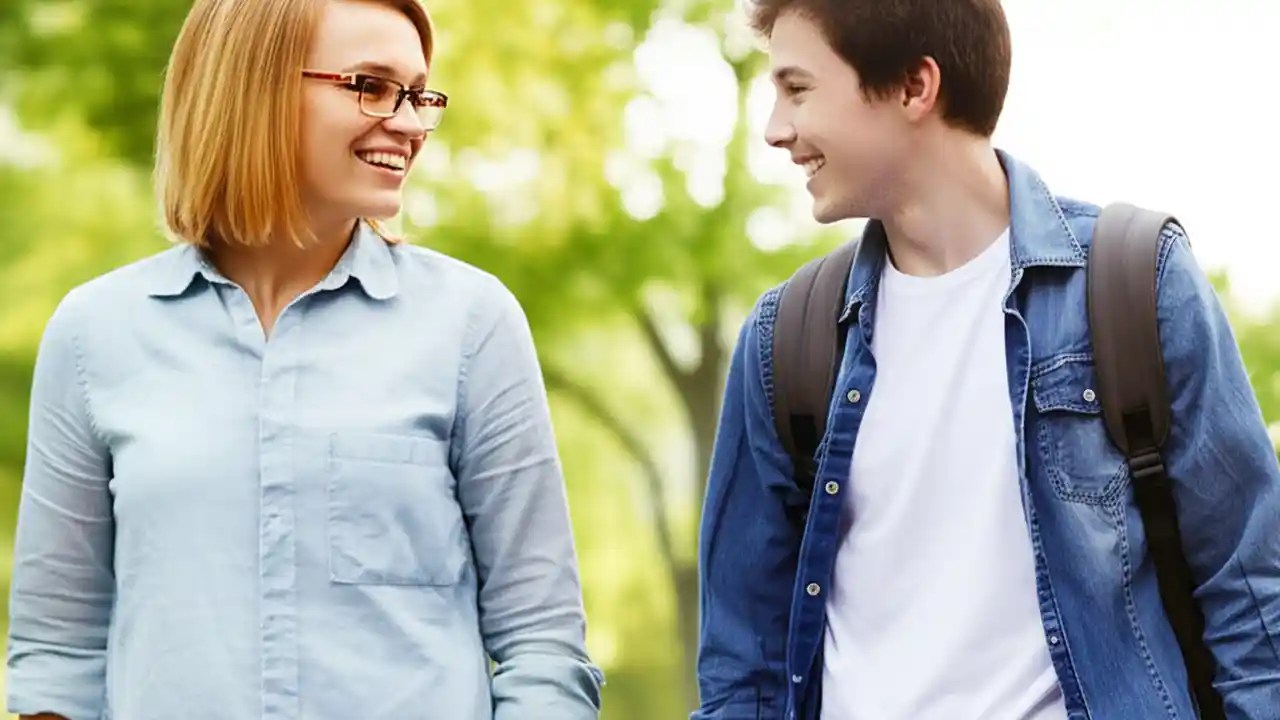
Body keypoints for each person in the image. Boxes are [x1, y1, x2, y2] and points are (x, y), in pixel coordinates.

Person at [6, 0, 603, 718]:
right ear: (250, 87)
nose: (411, 123)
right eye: (371, 87)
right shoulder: (94, 333)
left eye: (419, 94)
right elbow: (57, 655)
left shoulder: (472, 326)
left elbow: (543, 646)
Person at [694, 1, 1280, 718]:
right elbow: (740, 670)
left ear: (915, 86)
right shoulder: (782, 342)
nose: (775, 129)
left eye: (799, 88)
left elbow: (1255, 614)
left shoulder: (1135, 284)